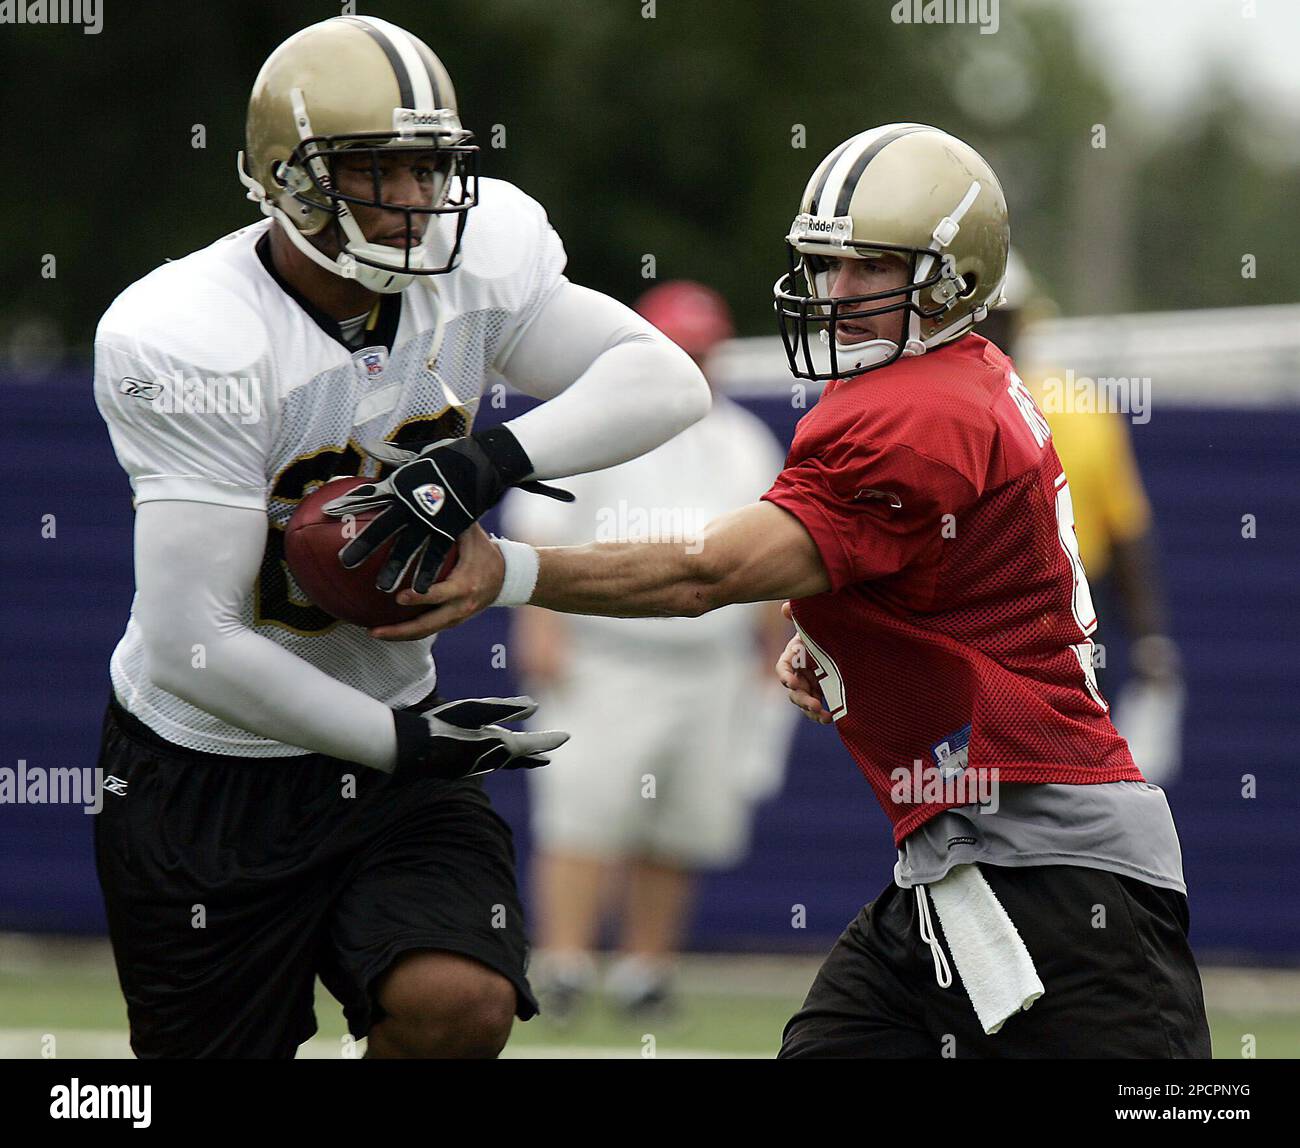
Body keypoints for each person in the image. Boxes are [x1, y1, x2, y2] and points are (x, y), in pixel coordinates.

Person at [408, 123, 1212, 1058]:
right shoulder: (962, 379)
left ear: (950, 282)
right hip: (956, 867)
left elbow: (708, 572)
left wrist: (507, 571)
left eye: (868, 267)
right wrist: (845, 631)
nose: (834, 292)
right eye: (825, 266)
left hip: (1057, 874)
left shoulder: (916, 410)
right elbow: (940, 572)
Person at [92, 15, 708, 1059]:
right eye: (378, 168)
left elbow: (665, 380)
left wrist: (482, 463)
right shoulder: (187, 332)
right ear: (285, 179)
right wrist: (400, 743)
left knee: (460, 1002)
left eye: (432, 166)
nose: (418, 200)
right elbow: (189, 641)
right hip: (210, 769)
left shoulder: (482, 256)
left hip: (391, 742)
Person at [501, 281, 794, 1020]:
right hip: (608, 656)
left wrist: (771, 649)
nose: (696, 362)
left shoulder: (742, 440)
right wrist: (540, 631)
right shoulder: (601, 421)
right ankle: (565, 963)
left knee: (684, 823)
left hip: (708, 664)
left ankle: (645, 969)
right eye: (683, 348)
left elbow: (769, 554)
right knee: (586, 816)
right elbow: (537, 527)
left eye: (704, 349)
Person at [981, 255, 1186, 785]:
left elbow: (1126, 539)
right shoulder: (1075, 405)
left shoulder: (1079, 408)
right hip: (1025, 618)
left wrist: (1150, 643)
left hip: (1058, 616)